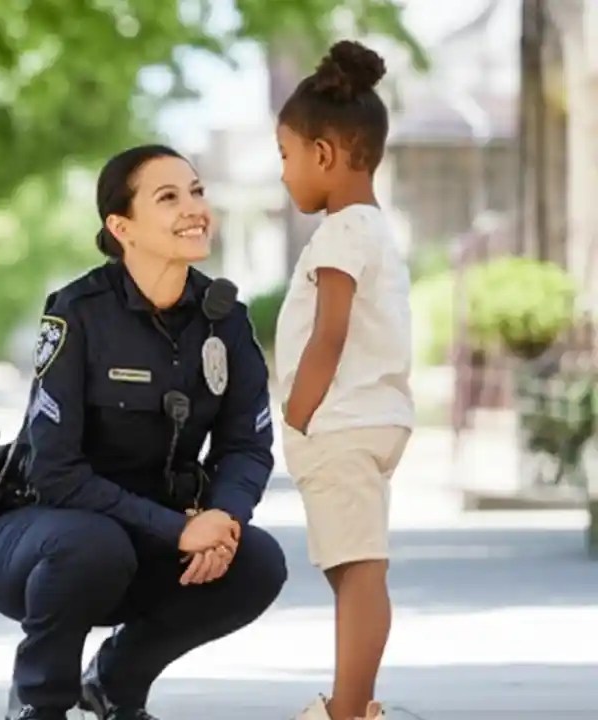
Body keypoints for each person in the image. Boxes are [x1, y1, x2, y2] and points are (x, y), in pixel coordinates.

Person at [0, 143, 288, 720]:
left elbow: (247, 444)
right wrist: (175, 529)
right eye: (168, 197)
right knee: (92, 545)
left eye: (196, 192)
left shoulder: (225, 320)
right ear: (122, 226)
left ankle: (114, 684)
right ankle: (41, 702)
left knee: (257, 562)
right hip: (34, 534)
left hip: (145, 538)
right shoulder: (77, 312)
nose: (194, 208)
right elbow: (54, 470)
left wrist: (223, 521)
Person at [273, 40, 414, 720]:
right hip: (374, 419)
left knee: (358, 573)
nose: (284, 175)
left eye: (285, 157)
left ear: (324, 155)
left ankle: (348, 711)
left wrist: (298, 410)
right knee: (355, 569)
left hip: (343, 423)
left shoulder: (337, 236)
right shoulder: (373, 229)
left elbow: (330, 330)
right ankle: (353, 704)